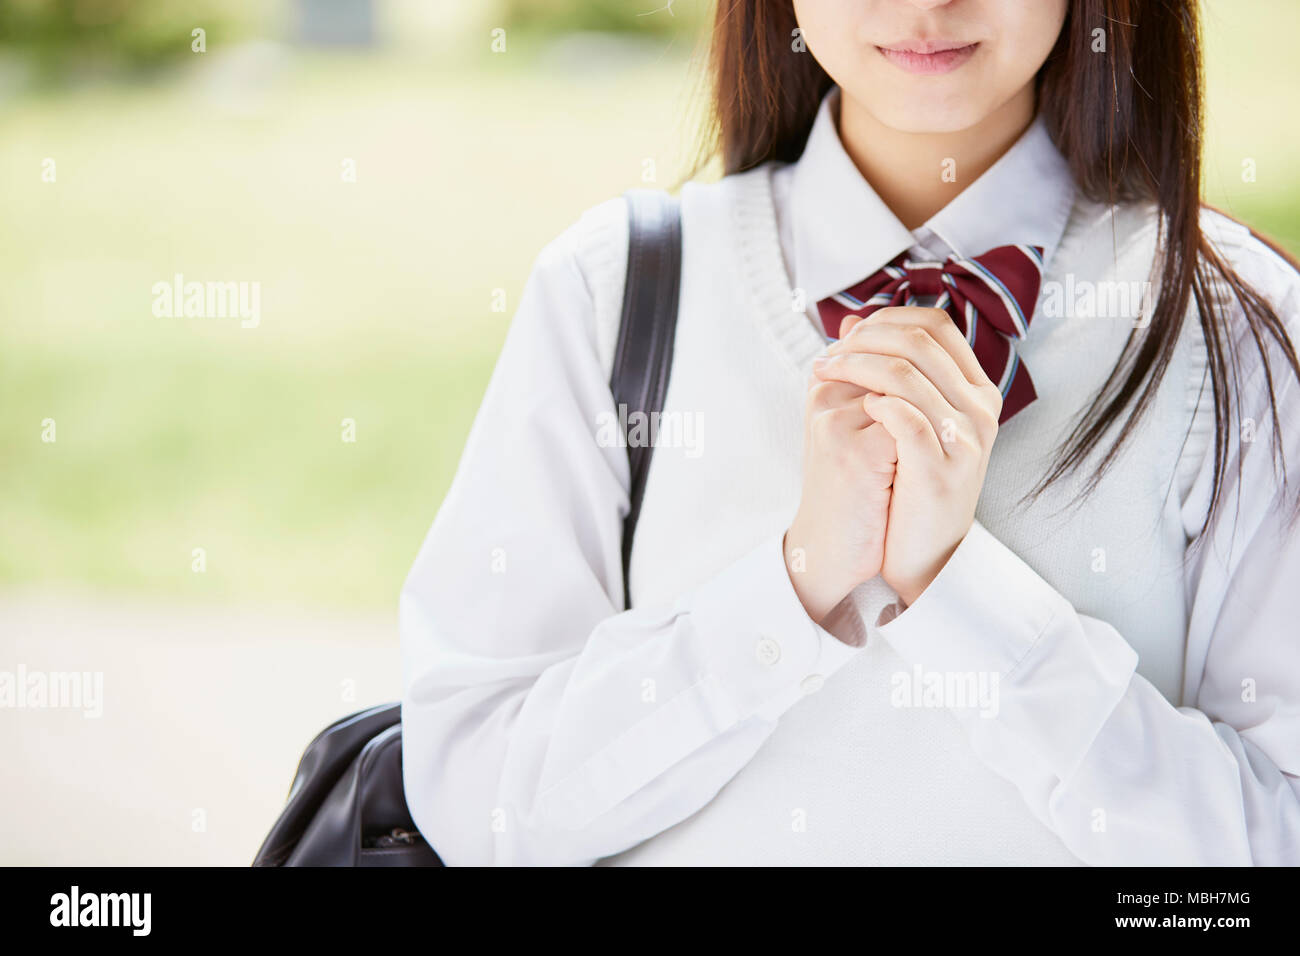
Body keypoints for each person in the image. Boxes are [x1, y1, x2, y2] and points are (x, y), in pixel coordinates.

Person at [399, 0, 1300, 865]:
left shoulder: (1234, 330)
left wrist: (964, 597)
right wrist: (795, 581)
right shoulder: (615, 293)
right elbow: (478, 803)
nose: (926, 1)